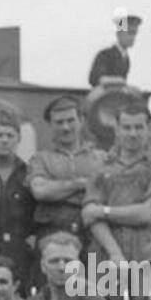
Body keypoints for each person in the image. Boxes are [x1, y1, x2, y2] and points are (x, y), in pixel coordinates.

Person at [82, 100, 151, 271]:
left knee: (150, 297)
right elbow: (90, 216)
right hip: (105, 250)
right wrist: (115, 253)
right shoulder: (99, 167)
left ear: (150, 130)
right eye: (127, 127)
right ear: (117, 130)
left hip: (147, 249)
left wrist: (103, 211)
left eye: (139, 127)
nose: (133, 134)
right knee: (102, 298)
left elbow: (147, 213)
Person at [27, 95, 103, 246]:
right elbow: (40, 191)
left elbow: (107, 192)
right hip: (54, 236)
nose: (66, 127)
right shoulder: (41, 159)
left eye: (70, 120)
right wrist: (80, 184)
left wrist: (57, 189)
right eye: (59, 122)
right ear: (50, 125)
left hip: (94, 234)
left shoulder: (100, 158)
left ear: (81, 121)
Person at [0, 108, 35, 290]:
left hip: (19, 249)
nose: (5, 140)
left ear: (18, 139)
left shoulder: (29, 173)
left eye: (10, 135)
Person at [88, 14, 141, 87]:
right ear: (119, 34)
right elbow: (94, 79)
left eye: (134, 34)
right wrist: (118, 81)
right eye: (129, 33)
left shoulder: (126, 59)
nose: (132, 37)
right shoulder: (105, 55)